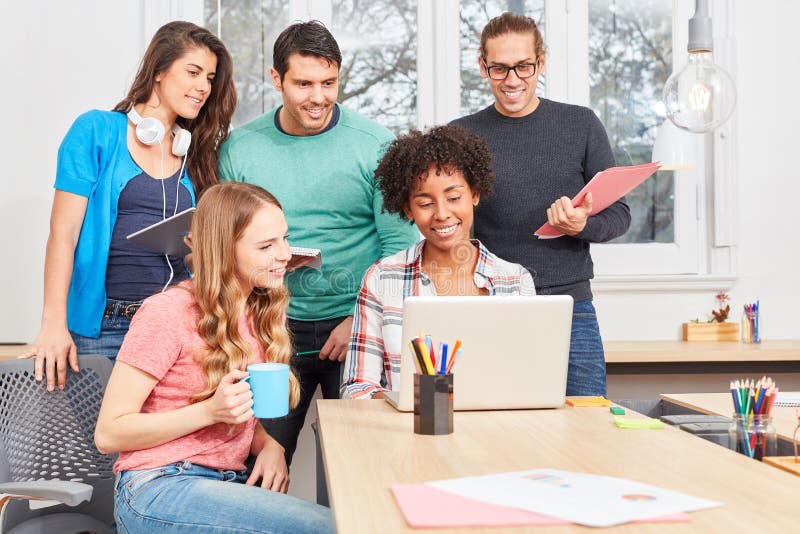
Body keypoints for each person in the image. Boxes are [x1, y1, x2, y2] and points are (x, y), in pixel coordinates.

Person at [218, 21, 418, 465]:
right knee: (257, 463)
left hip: (356, 331)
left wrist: (358, 321)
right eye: (304, 84)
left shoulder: (376, 146)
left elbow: (399, 247)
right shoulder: (241, 149)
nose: (319, 97)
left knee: (360, 466)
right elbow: (226, 246)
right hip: (271, 333)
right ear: (277, 79)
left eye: (329, 83)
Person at [94, 182, 333, 534]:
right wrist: (208, 411)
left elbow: (241, 421)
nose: (284, 254)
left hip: (225, 481)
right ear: (223, 250)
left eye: (284, 237)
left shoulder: (262, 312)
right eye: (267, 245)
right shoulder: (168, 312)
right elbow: (109, 433)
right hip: (157, 487)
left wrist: (270, 445)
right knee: (327, 528)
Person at [24, 21, 237, 391]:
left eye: (210, 77)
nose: (204, 86)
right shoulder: (96, 131)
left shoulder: (196, 153)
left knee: (168, 447)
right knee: (106, 447)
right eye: (193, 72)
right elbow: (63, 235)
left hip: (174, 325)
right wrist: (53, 323)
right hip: (103, 328)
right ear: (158, 71)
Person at [451, 12, 630, 396]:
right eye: (499, 69)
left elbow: (620, 215)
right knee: (495, 430)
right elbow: (448, 224)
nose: (512, 80)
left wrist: (582, 226)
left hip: (570, 308)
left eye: (523, 67)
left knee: (587, 425)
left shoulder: (580, 125)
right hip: (490, 304)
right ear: (483, 67)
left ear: (541, 62)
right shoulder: (461, 135)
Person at [341, 125, 535, 399]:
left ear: (474, 195)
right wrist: (407, 402)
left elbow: (529, 382)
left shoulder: (515, 281)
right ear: (408, 208)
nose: (442, 214)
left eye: (454, 198)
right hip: (411, 430)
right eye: (424, 203)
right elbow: (357, 387)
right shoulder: (382, 278)